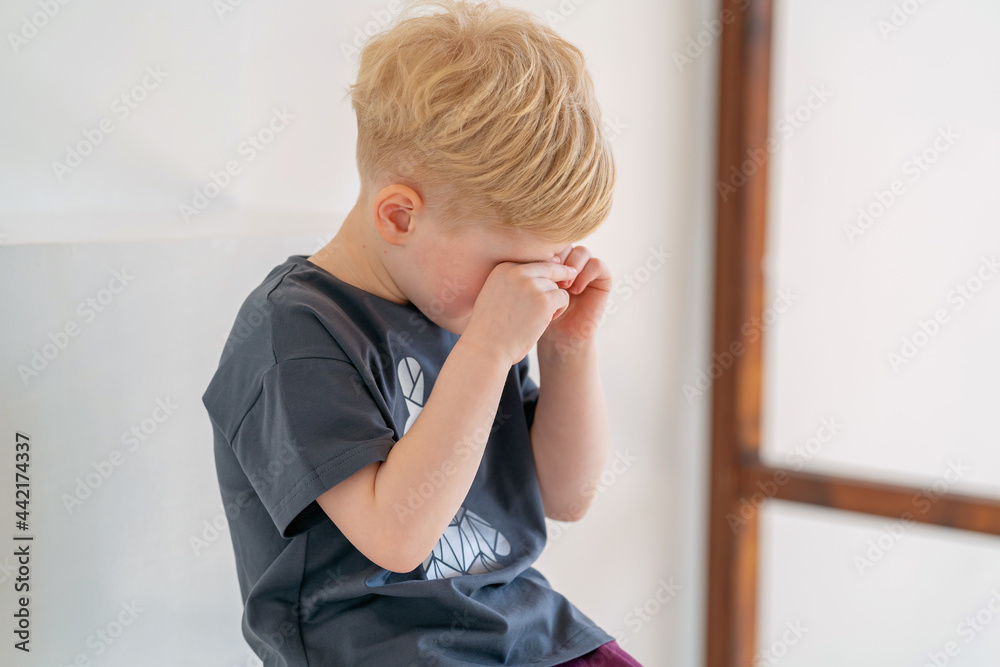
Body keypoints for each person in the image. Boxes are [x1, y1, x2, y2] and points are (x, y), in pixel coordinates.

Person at [201, 1, 642, 664]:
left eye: (548, 262)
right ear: (400, 217)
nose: (525, 291)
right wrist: (490, 347)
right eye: (511, 266)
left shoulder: (462, 307)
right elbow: (396, 537)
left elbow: (566, 495)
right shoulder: (295, 332)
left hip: (523, 630)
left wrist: (568, 348)